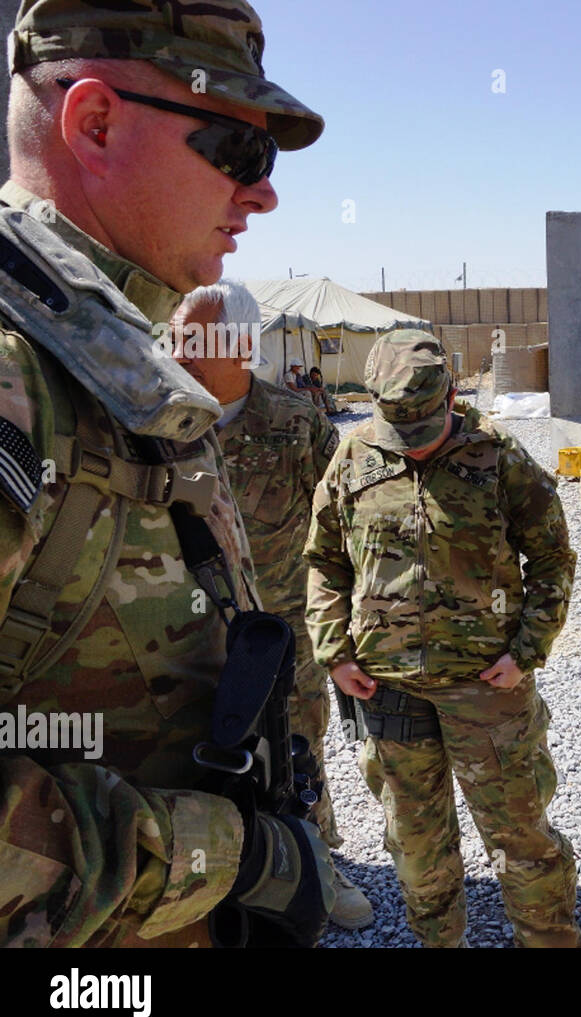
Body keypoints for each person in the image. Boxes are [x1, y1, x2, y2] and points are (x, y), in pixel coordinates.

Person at [0, 0, 333, 947]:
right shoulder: (17, 372)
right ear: (95, 122)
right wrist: (221, 857)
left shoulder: (98, 349)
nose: (263, 195)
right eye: (239, 151)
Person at [304, 330, 580, 947]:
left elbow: (554, 558)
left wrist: (528, 649)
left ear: (453, 394)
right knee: (416, 844)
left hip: (487, 688)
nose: (414, 446)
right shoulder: (353, 457)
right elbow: (324, 561)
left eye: (424, 428)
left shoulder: (501, 456)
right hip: (387, 691)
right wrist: (334, 651)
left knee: (521, 839)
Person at [171, 280, 374, 931]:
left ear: (235, 342)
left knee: (294, 752)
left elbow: (345, 517)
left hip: (283, 632)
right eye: (176, 332)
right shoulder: (159, 423)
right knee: (194, 751)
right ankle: (207, 876)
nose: (175, 346)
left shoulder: (295, 422)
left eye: (190, 335)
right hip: (187, 630)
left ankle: (315, 867)